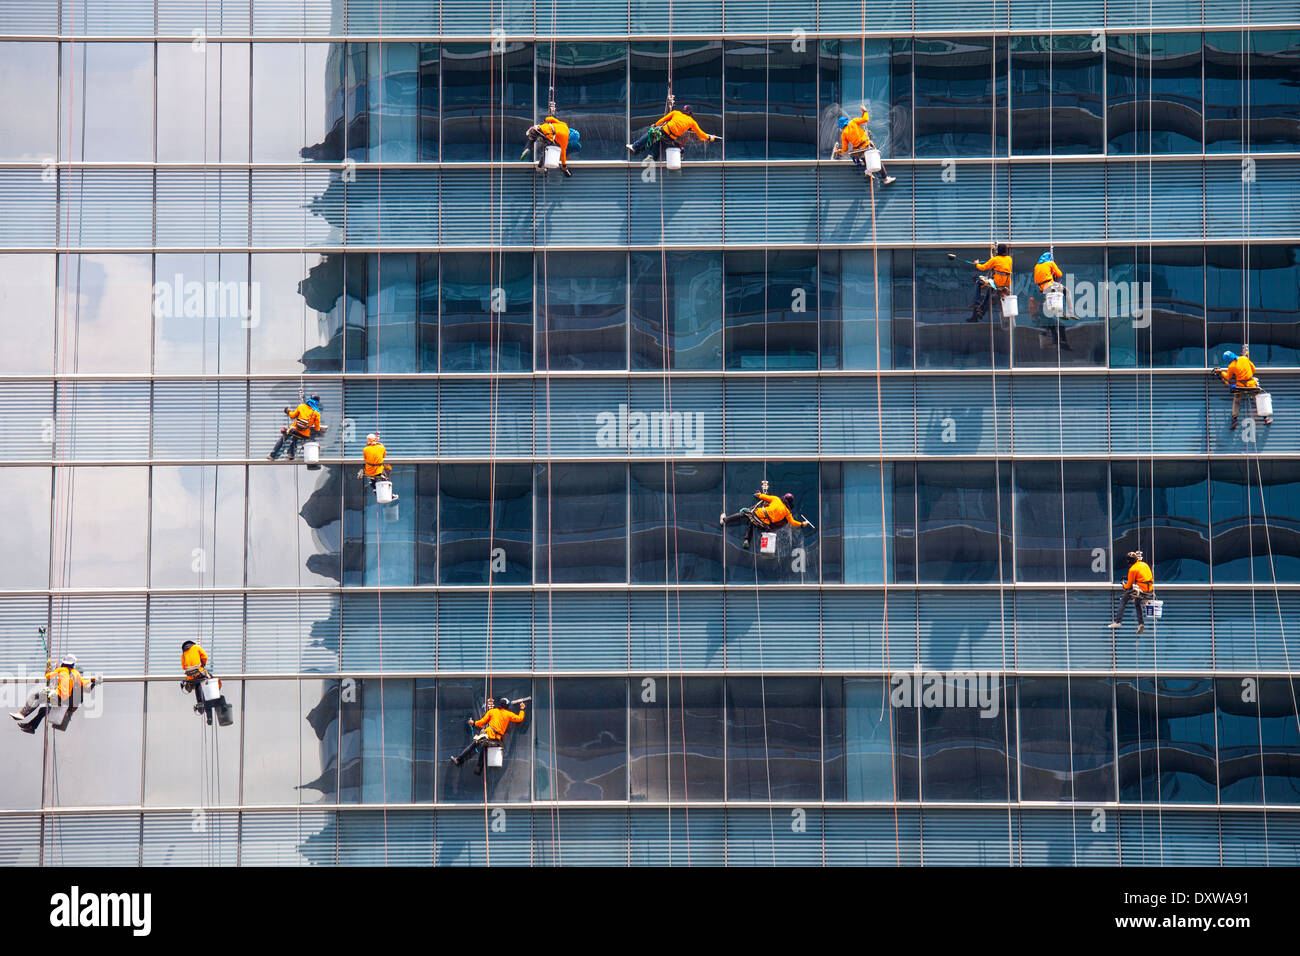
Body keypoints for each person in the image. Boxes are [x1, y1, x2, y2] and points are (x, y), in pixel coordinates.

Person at [11, 654, 97, 733]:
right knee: (44, 710)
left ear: (63, 663)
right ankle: (32, 727)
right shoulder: (76, 674)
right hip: (65, 701)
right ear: (73, 664)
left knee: (35, 697)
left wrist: (48, 669)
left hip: (58, 697)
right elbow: (84, 683)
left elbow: (47, 676)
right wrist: (92, 680)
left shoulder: (61, 670)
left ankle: (22, 713)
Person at [720, 484, 812, 550]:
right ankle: (746, 541)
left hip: (758, 514)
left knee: (745, 514)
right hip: (764, 525)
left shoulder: (776, 499)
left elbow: (761, 496)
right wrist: (803, 524)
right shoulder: (787, 512)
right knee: (752, 523)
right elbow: (793, 522)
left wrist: (757, 494)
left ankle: (724, 520)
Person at [450, 697, 527, 776]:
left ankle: (459, 760)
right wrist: (522, 709)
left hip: (488, 737)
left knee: (473, 746)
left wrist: (473, 723)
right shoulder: (508, 714)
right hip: (496, 741)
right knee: (484, 748)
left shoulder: (492, 712)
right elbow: (520, 718)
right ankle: (478, 769)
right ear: (506, 706)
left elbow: (482, 722)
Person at [626, 105, 719, 158]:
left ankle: (635, 147)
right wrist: (710, 138)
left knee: (650, 133)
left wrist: (654, 125)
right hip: (671, 138)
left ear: (683, 110)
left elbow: (663, 119)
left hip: (665, 131)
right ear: (690, 114)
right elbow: (701, 134)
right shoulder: (691, 122)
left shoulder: (676, 113)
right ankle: (652, 156)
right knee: (659, 142)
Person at [831, 109, 895, 186]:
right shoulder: (853, 122)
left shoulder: (844, 134)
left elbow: (845, 149)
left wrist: (838, 151)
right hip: (866, 147)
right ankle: (885, 178)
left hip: (858, 151)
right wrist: (865, 112)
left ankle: (868, 172)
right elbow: (865, 119)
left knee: (867, 161)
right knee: (877, 161)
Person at [1214, 348, 1272, 428]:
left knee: (1236, 401)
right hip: (1251, 385)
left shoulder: (1231, 366)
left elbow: (1228, 377)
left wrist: (1220, 372)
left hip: (1240, 386)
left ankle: (1235, 419)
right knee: (1257, 400)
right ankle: (1266, 418)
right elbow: (1253, 369)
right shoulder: (1244, 359)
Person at [180, 640, 233, 726]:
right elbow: (205, 656)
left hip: (190, 676)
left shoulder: (183, 654)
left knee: (198, 685)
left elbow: (183, 666)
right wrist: (202, 664)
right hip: (199, 672)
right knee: (209, 681)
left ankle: (202, 706)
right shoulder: (196, 647)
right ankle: (221, 707)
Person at [1109, 550, 1154, 635]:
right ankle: (1141, 623)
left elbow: (1128, 585)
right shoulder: (1144, 564)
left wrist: (1123, 584)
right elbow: (1142, 576)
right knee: (1137, 603)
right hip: (1149, 589)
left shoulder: (1132, 569)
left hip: (1141, 589)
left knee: (1124, 599)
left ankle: (1118, 621)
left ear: (1128, 561)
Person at [267, 393, 324, 461]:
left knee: (283, 439)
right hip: (304, 434)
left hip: (295, 429)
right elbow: (317, 427)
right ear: (317, 402)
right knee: (295, 438)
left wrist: (288, 411)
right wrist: (318, 431)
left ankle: (272, 455)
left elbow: (292, 416)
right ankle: (291, 454)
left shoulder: (301, 406)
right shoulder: (316, 413)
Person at [968, 243, 1013, 323]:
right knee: (989, 292)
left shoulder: (995, 259)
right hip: (1006, 283)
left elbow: (983, 267)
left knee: (979, 281)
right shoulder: (1009, 259)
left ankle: (976, 302)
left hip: (997, 282)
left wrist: (976, 264)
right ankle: (981, 309)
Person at [358, 433, 398, 500]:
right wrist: (378, 442)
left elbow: (365, 459)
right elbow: (384, 455)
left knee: (373, 477)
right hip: (378, 470)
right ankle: (389, 494)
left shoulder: (365, 449)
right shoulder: (381, 447)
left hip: (369, 470)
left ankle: (374, 487)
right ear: (375, 440)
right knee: (387, 474)